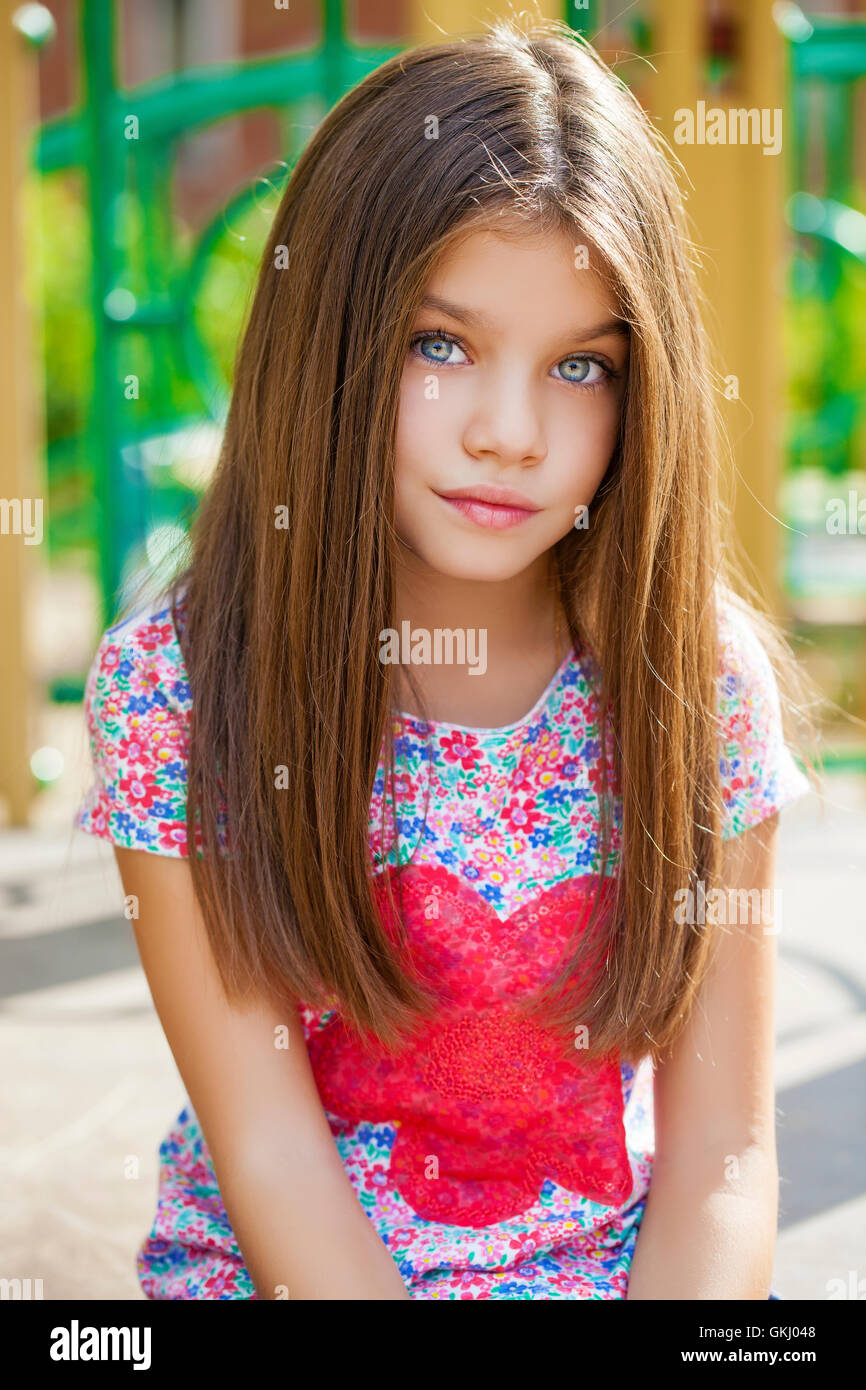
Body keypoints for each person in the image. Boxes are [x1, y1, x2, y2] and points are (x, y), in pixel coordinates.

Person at [76, 17, 819, 1300]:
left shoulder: (694, 688)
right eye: (441, 346)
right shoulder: (178, 694)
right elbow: (266, 1153)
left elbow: (722, 1160)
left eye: (580, 365)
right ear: (329, 340)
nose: (511, 433)